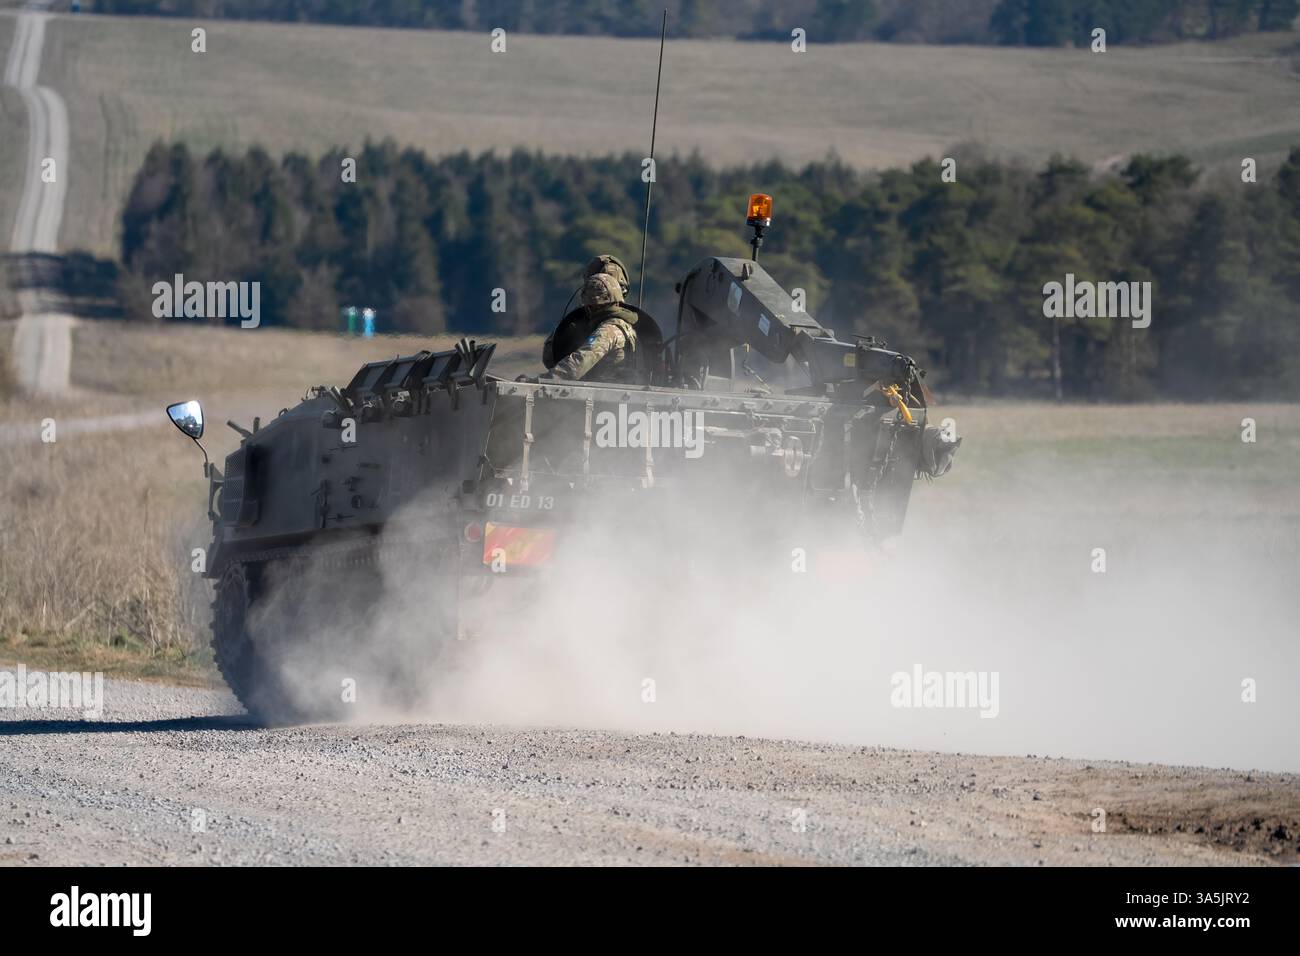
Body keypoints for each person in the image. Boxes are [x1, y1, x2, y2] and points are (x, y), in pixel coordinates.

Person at [547, 273, 638, 382]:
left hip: (604, 394)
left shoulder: (608, 330)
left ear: (592, 306)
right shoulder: (626, 325)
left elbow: (581, 361)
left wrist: (546, 379)